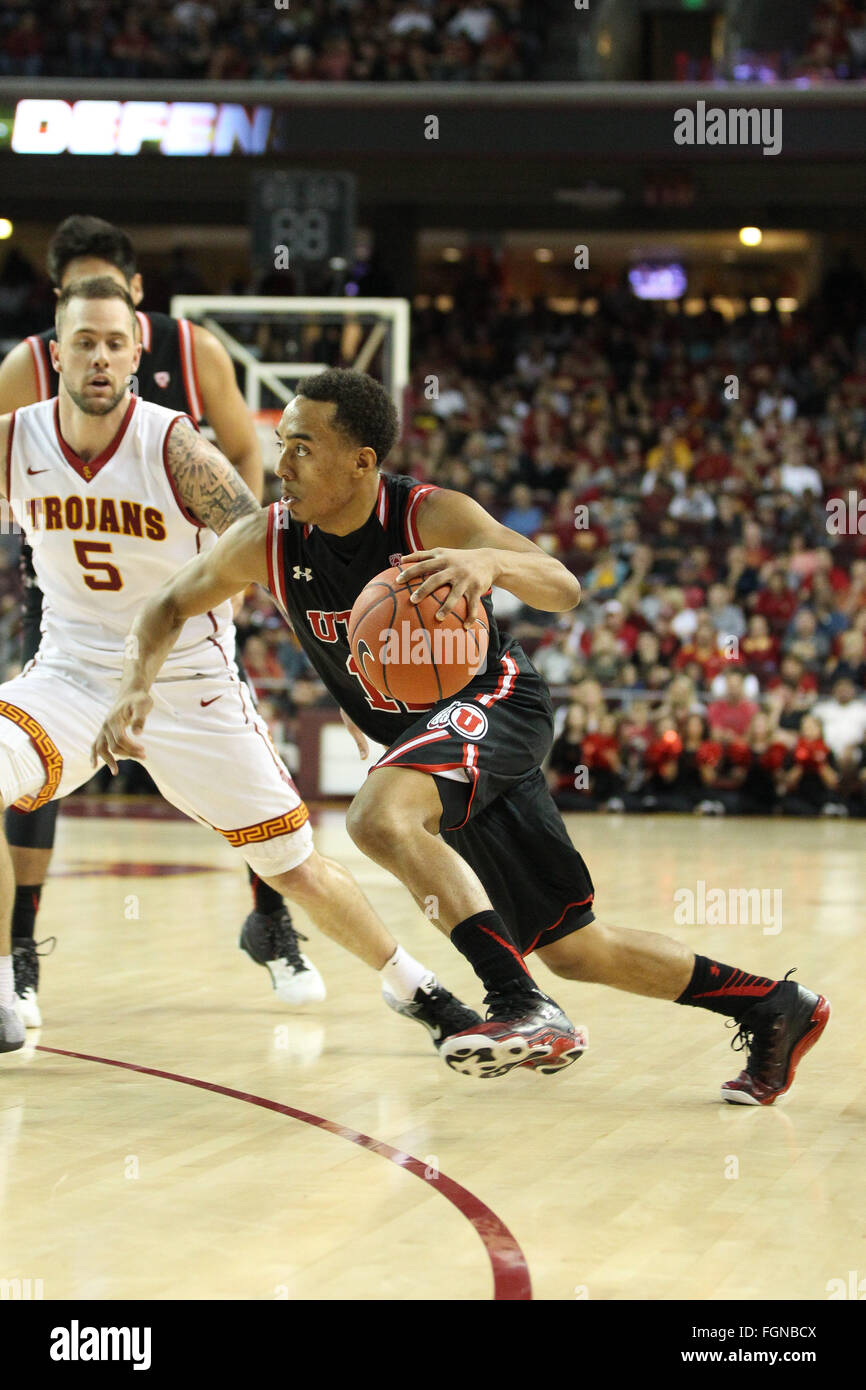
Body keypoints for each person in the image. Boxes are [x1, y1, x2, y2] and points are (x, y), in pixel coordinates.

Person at [95, 370, 830, 1102]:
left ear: (362, 461)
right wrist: (136, 688)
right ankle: (771, 1007)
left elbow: (563, 585)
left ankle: (520, 1005)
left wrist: (491, 561)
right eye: (281, 443)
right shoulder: (268, 541)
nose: (281, 462)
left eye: (302, 447)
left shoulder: (428, 515)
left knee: (377, 817)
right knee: (578, 949)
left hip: (497, 702)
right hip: (427, 742)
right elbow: (164, 605)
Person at [0, 284, 478, 1058]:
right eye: (83, 341)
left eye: (115, 343)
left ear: (135, 355)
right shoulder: (13, 440)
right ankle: (2, 989)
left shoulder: (174, 447)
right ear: (56, 353)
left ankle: (418, 987)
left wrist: (354, 683)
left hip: (190, 686)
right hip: (71, 677)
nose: (99, 356)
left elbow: (273, 552)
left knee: (295, 870)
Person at [0, 214, 309, 1025]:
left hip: (187, 586)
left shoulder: (195, 352)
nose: (95, 340)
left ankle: (271, 918)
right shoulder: (28, 365)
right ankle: (19, 951)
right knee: (30, 767)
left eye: (110, 306)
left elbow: (248, 453)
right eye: (73, 301)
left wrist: (231, 557)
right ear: (60, 308)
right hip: (76, 598)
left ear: (138, 300)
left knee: (236, 751)